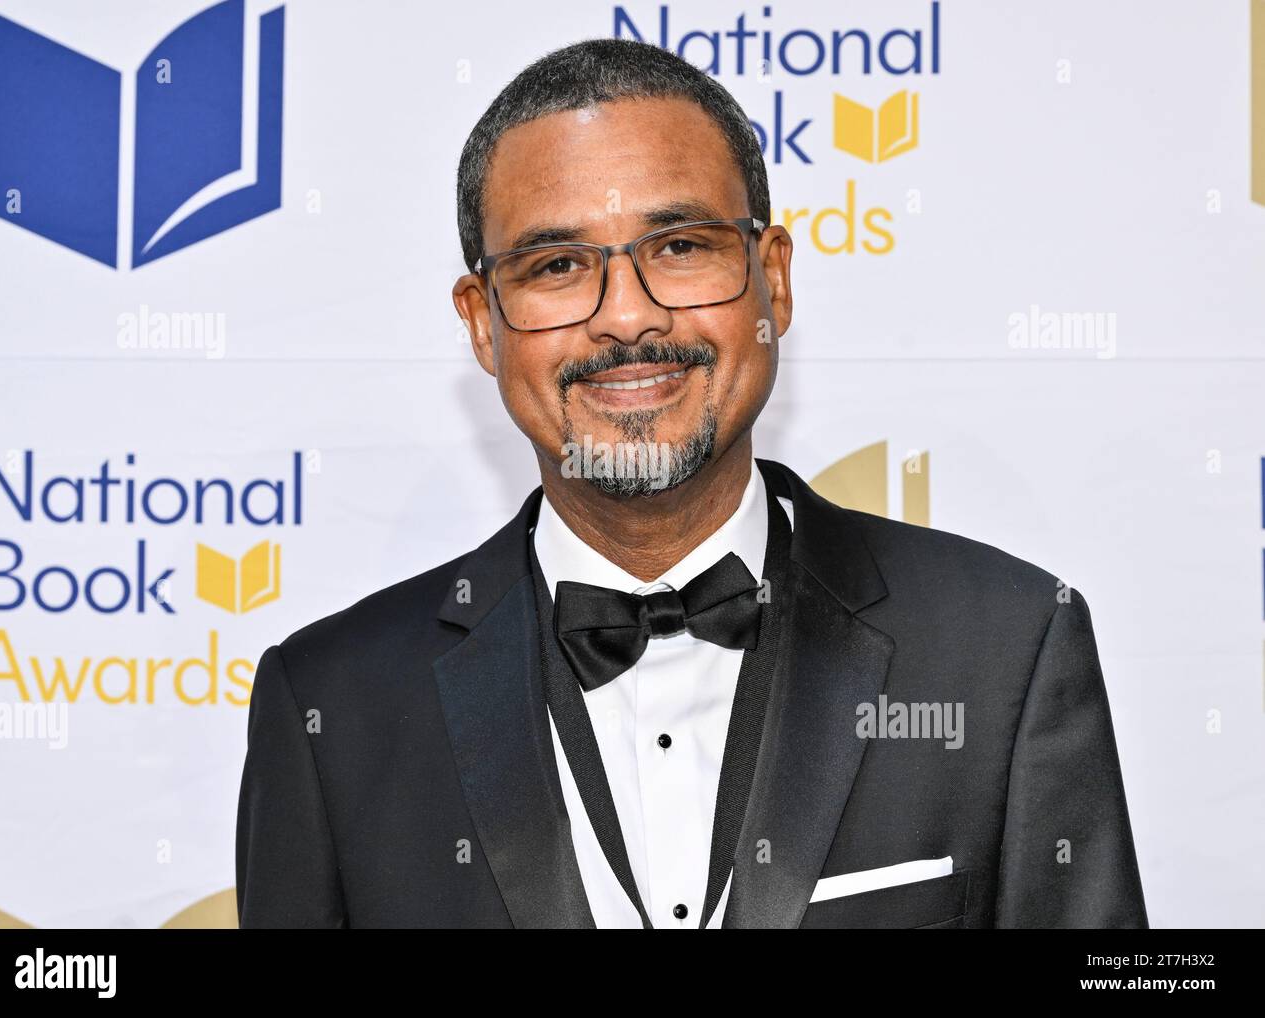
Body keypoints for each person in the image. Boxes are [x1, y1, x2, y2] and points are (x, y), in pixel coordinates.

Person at [235, 37, 1147, 929]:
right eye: (557, 266)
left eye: (679, 247)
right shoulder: (329, 708)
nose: (628, 316)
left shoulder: (1005, 645)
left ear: (772, 281)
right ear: (483, 324)